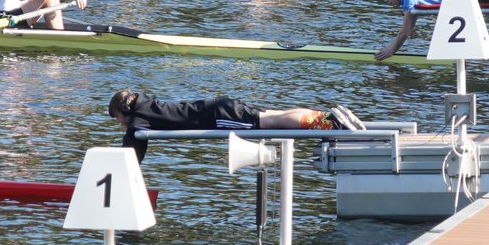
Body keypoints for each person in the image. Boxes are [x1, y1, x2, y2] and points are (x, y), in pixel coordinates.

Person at [109, 90, 365, 162]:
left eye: (118, 119)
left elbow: (132, 146)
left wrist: (122, 170)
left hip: (218, 116)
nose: (121, 125)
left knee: (271, 121)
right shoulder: (147, 104)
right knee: (274, 116)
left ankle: (328, 123)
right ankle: (327, 118)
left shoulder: (138, 118)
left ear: (124, 111)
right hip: (218, 108)